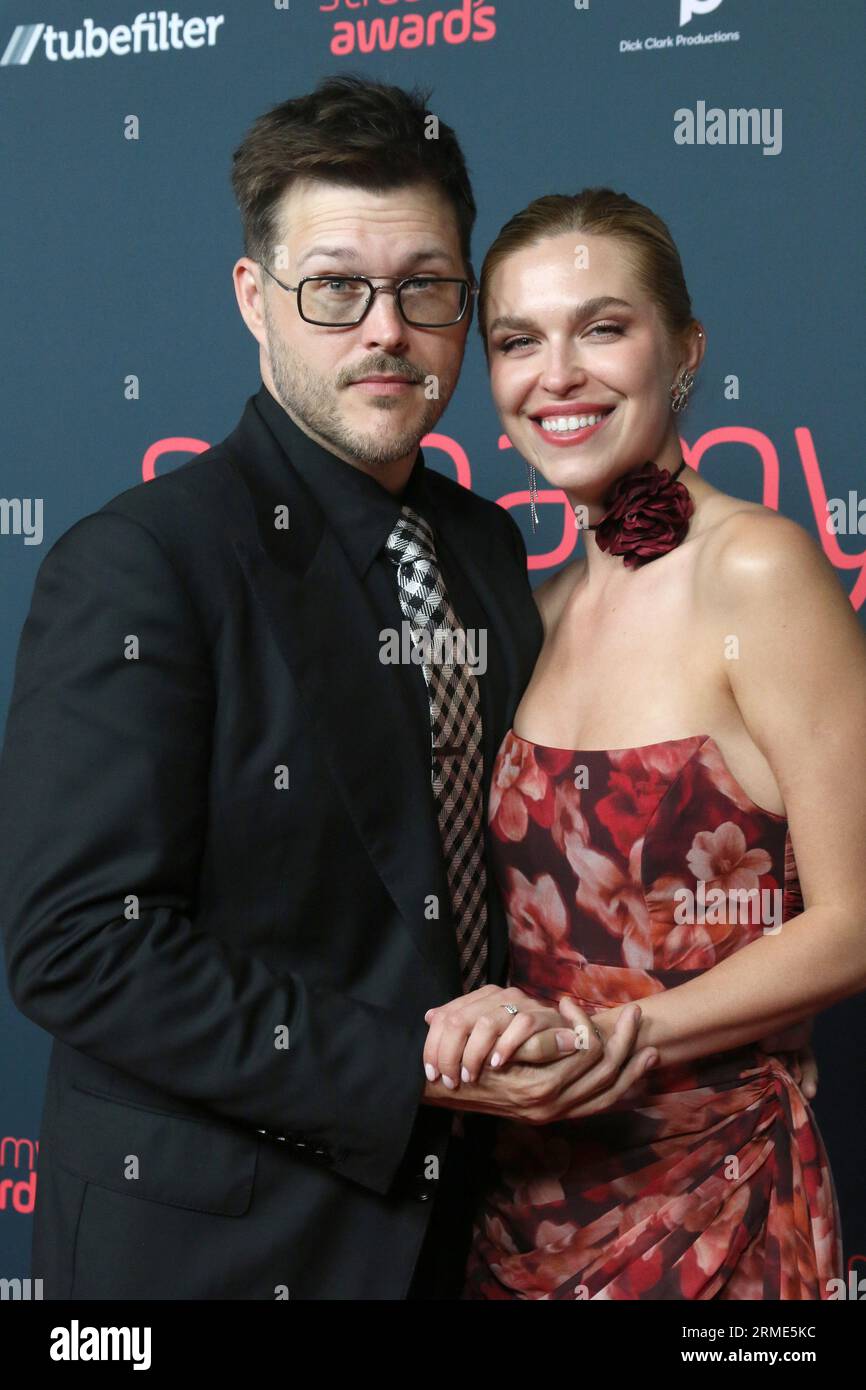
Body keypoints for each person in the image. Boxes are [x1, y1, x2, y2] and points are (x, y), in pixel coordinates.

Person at [0, 74, 566, 1301]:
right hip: (223, 1247)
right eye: (333, 288)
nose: (383, 330)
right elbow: (76, 945)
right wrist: (410, 1065)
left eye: (424, 288)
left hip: (483, 1224)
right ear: (255, 299)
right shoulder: (145, 563)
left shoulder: (483, 544)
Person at [418, 188, 866, 1299]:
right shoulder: (535, 603)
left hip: (711, 1201)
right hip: (518, 1198)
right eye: (518, 341)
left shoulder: (757, 570)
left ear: (683, 350)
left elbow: (856, 920)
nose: (555, 374)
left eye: (601, 327)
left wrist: (607, 1039)